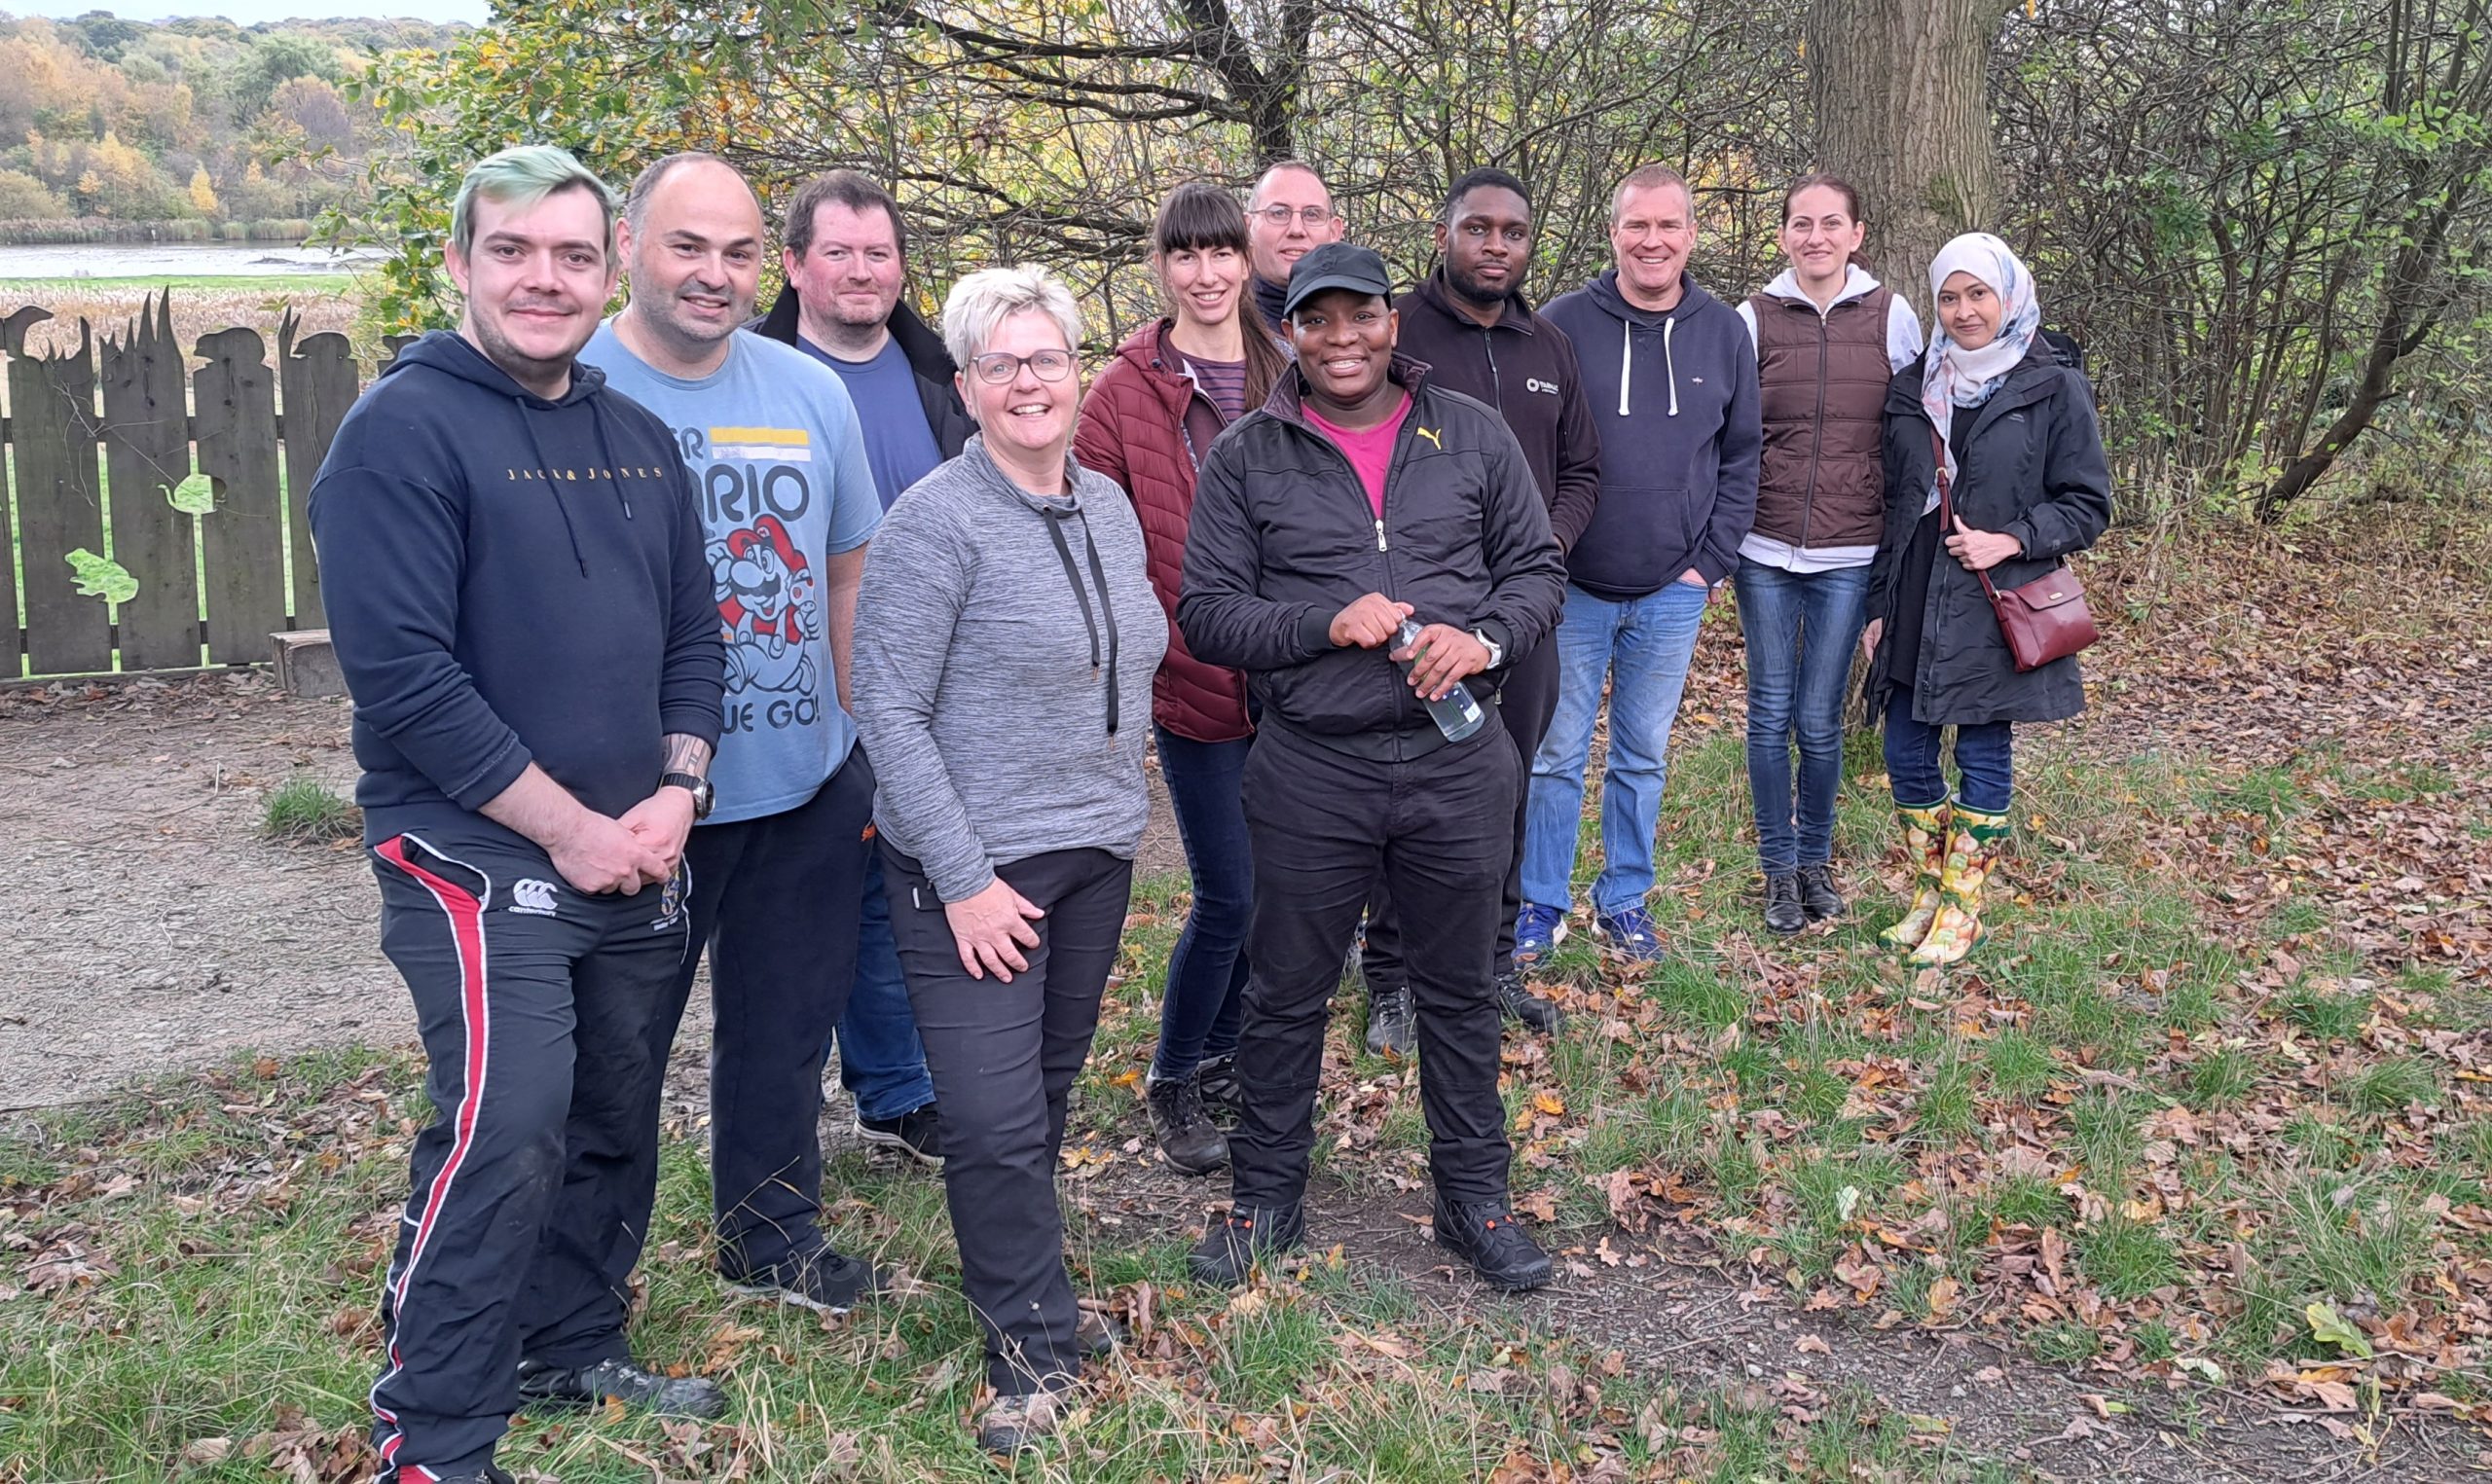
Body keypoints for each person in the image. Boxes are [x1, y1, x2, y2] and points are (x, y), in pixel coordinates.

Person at [310, 145, 727, 1484]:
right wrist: (570, 828)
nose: (542, 279)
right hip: (470, 850)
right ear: (459, 264)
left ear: (609, 273)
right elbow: (408, 682)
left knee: (612, 1106)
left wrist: (679, 788)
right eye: (512, 251)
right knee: (508, 1114)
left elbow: (695, 642)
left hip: (635, 843)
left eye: (570, 254)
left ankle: (566, 1340)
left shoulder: (636, 438)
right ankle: (430, 1437)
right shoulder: (400, 432)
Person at [1179, 242, 1568, 1295]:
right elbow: (1206, 612)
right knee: (1286, 988)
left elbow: (1536, 573)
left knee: (1458, 988)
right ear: (1290, 332)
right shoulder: (1250, 454)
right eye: (1317, 321)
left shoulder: (1471, 436)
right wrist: (1320, 622)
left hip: (1455, 761)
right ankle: (1266, 1199)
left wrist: (1482, 640)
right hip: (1311, 766)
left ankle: (1473, 1199)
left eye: (1360, 317)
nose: (1341, 339)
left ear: (1393, 323)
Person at [850, 266, 1167, 1453]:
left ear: (1077, 371)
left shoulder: (1108, 505)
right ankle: (1029, 1358)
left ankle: (1036, 1294)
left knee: (1037, 1098)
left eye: (1048, 358)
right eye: (1003, 363)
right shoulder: (935, 520)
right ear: (968, 383)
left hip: (1093, 850)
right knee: (987, 1121)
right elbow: (885, 704)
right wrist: (968, 879)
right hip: (971, 870)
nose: (1029, 381)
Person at [579, 152, 889, 1313]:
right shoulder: (576, 386)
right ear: (627, 247)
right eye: (687, 246)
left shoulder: (810, 392)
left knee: (784, 1033)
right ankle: (582, 1293)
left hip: (803, 784)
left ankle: (770, 1241)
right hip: (639, 800)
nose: (715, 274)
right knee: (618, 1056)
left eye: (739, 252)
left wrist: (856, 737)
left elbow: (848, 569)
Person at [751, 167, 972, 1166]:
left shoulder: (945, 373)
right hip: (785, 676)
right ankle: (777, 1108)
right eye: (835, 251)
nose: (859, 270)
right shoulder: (749, 373)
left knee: (913, 877)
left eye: (877, 252)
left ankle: (898, 1091)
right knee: (806, 902)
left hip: (934, 675)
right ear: (793, 265)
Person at [1357, 166, 1600, 1051]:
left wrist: (1538, 554)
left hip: (1523, 616)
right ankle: (1390, 978)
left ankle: (1491, 965)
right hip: (1420, 617)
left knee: (1505, 784)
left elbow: (1582, 472)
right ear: (1444, 235)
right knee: (1402, 790)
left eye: (1513, 232)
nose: (1495, 245)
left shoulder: (1549, 345)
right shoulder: (1401, 332)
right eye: (1477, 228)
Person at [1072, 182, 1288, 1175]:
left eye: (1221, 254)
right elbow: (1091, 538)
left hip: (1291, 676)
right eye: (1184, 255)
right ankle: (1176, 1071)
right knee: (1229, 894)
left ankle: (1237, 1050)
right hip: (1194, 679)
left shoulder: (1287, 365)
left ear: (1246, 261)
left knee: (1279, 888)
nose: (1205, 274)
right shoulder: (1124, 388)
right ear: (1160, 266)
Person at [1525, 165, 1761, 963]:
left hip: (1673, 589)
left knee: (1642, 755)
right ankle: (1540, 904)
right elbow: (1532, 452)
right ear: (1613, 231)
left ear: (1692, 235)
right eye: (1637, 225)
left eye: (1668, 226)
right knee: (1554, 754)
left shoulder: (1725, 331)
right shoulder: (1561, 325)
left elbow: (1743, 456)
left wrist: (1710, 563)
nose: (1652, 241)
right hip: (1574, 591)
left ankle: (1624, 899)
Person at [1865, 233, 2109, 965]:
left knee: (1981, 748)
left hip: (1994, 598)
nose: (1964, 311)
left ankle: (1963, 909)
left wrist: (2014, 538)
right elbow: (1893, 501)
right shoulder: (1913, 385)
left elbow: (2089, 503)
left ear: (2008, 296)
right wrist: (1879, 604)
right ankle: (1930, 891)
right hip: (1915, 594)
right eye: (1950, 296)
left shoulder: (2052, 384)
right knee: (1904, 750)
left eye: (1978, 294)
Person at [1732, 175, 1924, 933]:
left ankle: (1816, 860)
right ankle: (1777, 869)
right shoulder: (1752, 317)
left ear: (1857, 233)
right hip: (1763, 546)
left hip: (1850, 551)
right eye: (1801, 224)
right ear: (1782, 236)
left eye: (1831, 223)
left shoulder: (1893, 314)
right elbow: (1728, 433)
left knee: (1818, 719)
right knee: (1769, 711)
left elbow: (1913, 424)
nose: (1816, 236)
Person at [1245, 161, 1343, 337]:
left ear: (1334, 232)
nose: (1296, 230)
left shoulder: (1362, 324)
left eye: (1312, 214)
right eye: (1279, 213)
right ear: (1247, 227)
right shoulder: (1221, 327)